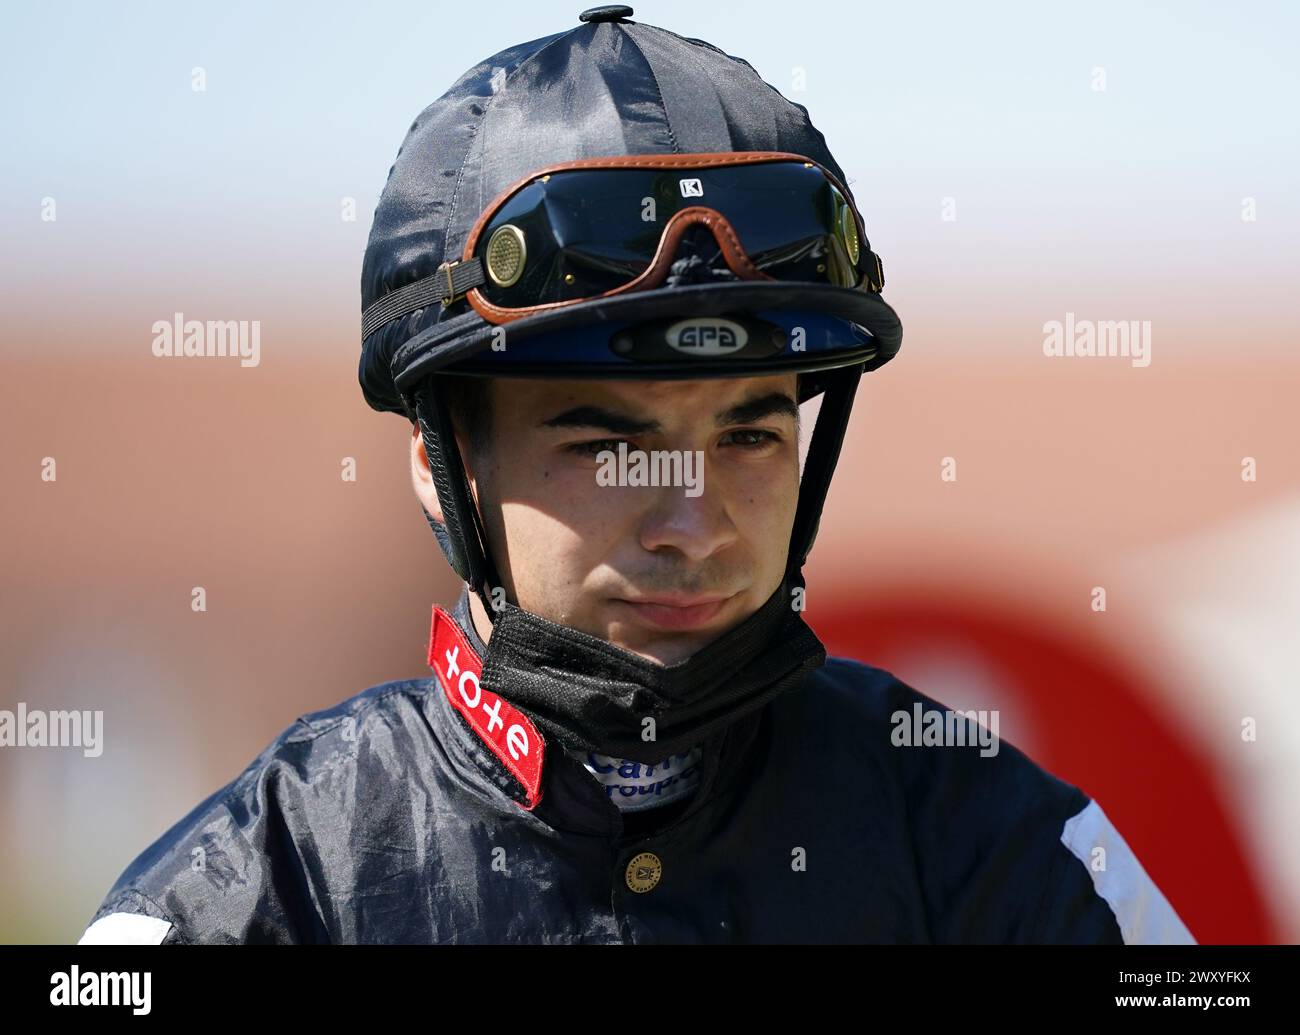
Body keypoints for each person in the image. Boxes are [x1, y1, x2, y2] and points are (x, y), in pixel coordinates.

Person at [78, 5, 1194, 945]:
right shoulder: (265, 883)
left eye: (750, 436)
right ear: (438, 462)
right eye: (607, 446)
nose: (692, 523)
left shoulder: (994, 845)